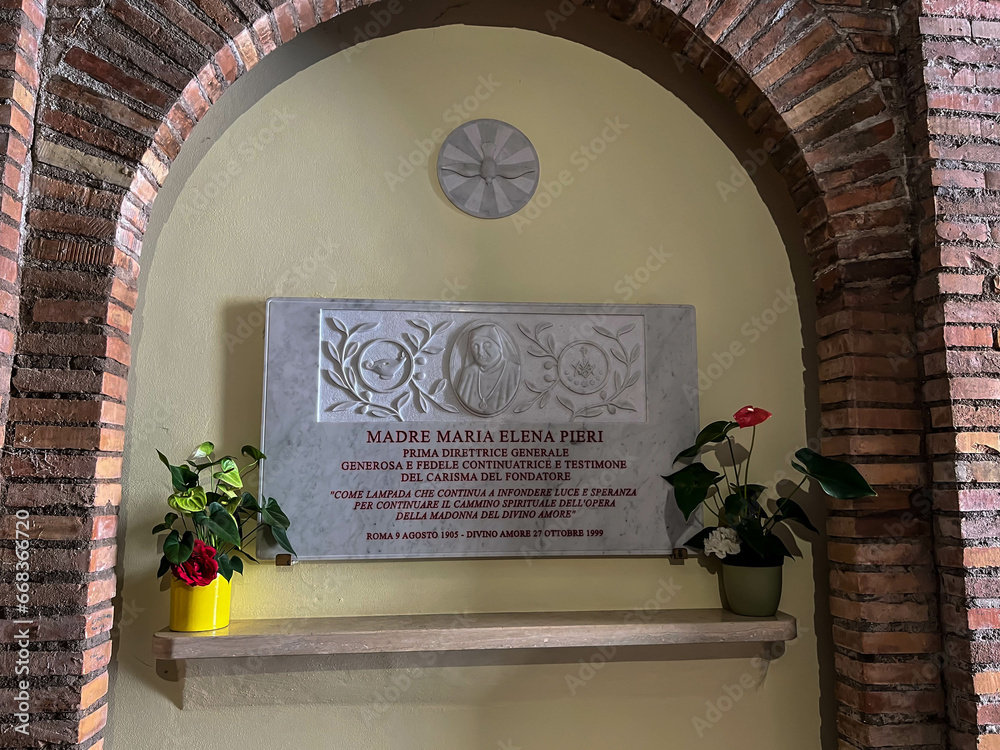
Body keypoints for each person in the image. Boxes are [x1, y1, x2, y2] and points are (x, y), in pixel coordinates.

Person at [454, 324, 520, 416]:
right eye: (475, 346)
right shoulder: (469, 373)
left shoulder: (514, 371)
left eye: (487, 345)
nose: (480, 352)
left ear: (499, 346)